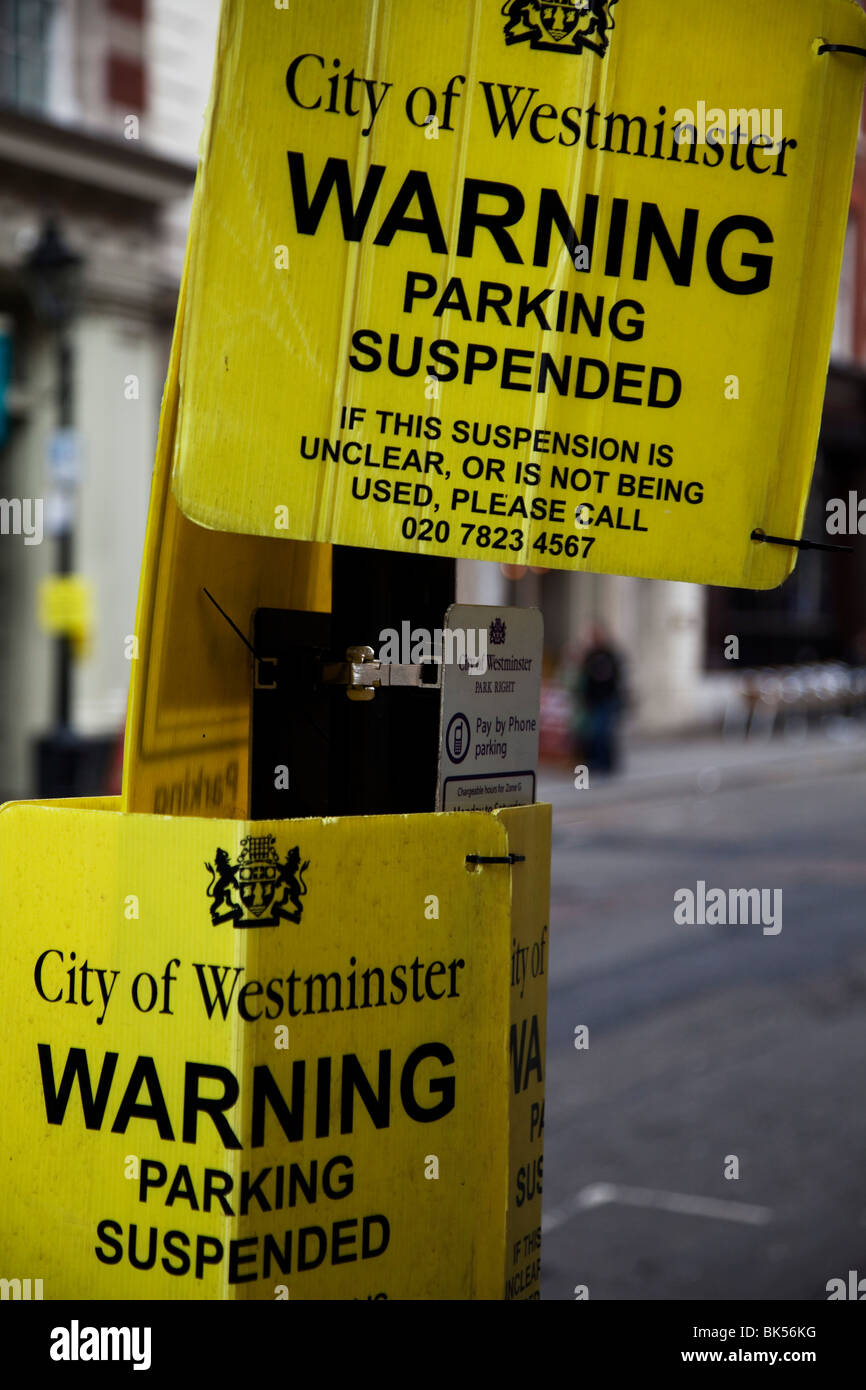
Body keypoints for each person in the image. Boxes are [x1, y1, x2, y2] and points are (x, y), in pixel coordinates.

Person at [572, 624, 626, 773]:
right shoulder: (590, 655)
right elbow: (583, 677)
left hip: (607, 699)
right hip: (593, 700)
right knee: (594, 732)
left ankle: (606, 763)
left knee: (604, 732)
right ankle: (595, 760)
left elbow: (617, 677)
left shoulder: (610, 654)